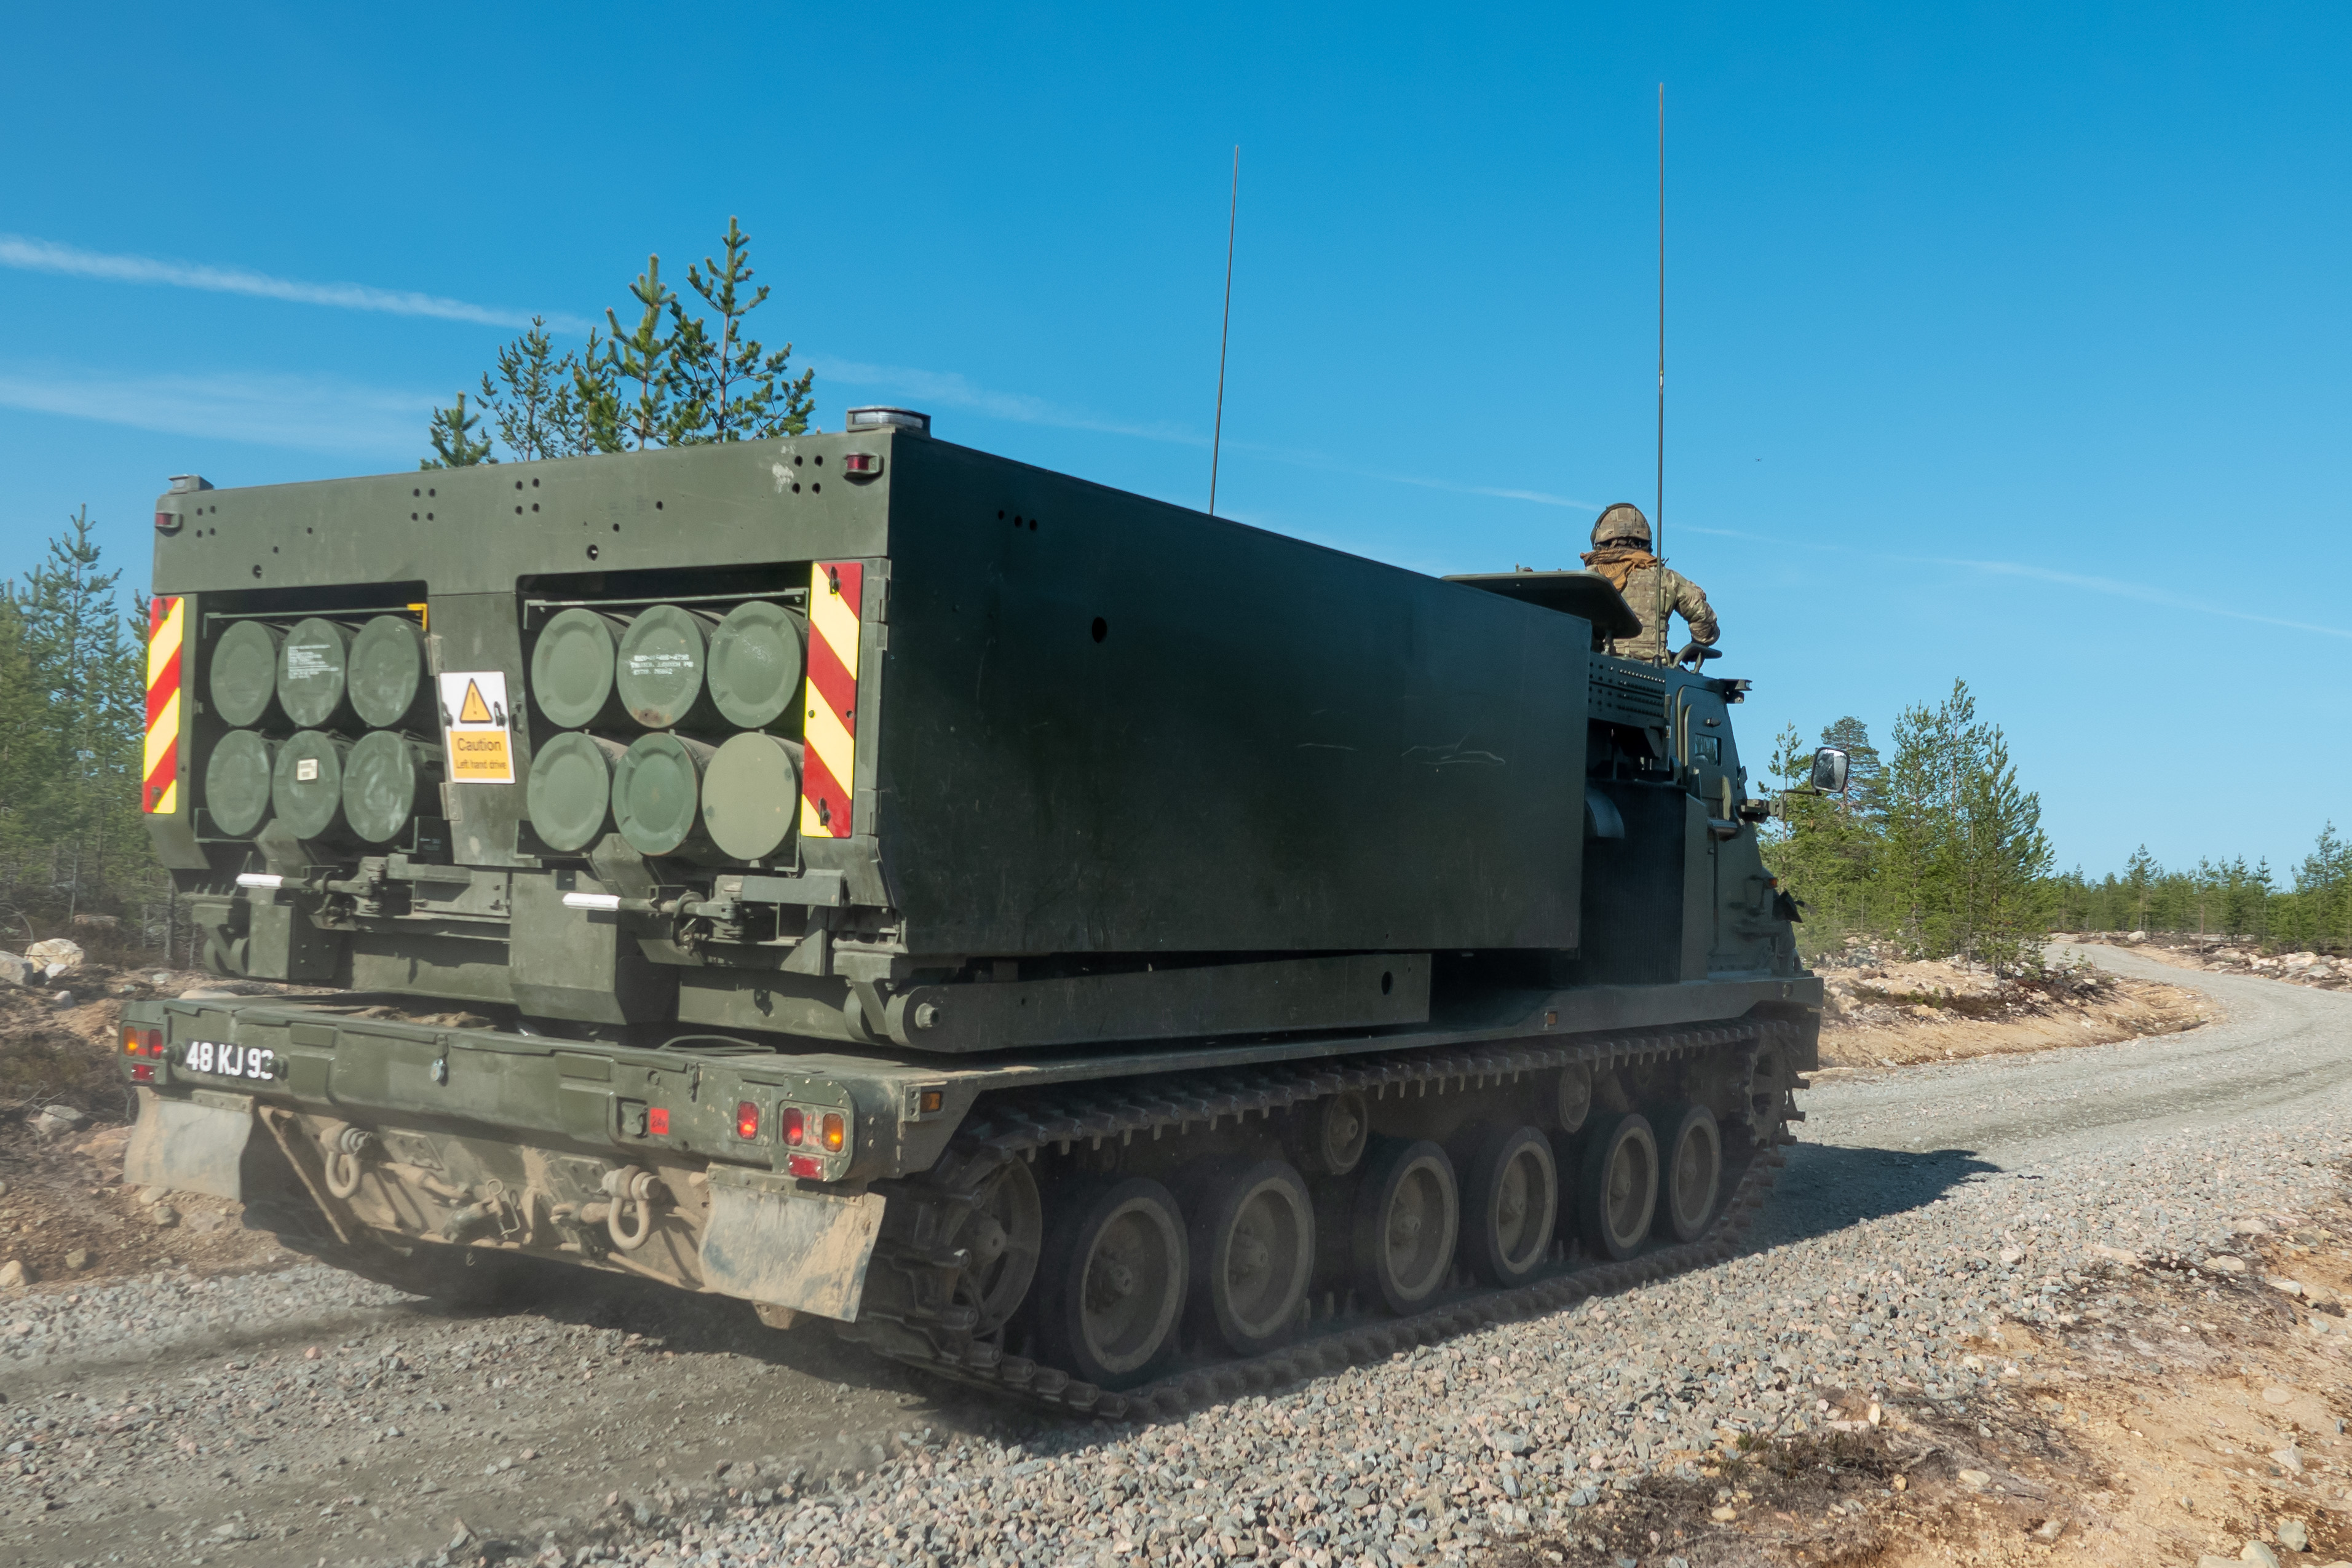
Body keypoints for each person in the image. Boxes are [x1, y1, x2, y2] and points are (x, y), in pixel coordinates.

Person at [1579, 502, 1718, 666]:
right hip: (1654, 673)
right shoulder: (1666, 578)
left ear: (1600, 541)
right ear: (1645, 541)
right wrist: (1696, 648)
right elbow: (1704, 619)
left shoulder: (1590, 579)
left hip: (1597, 671)